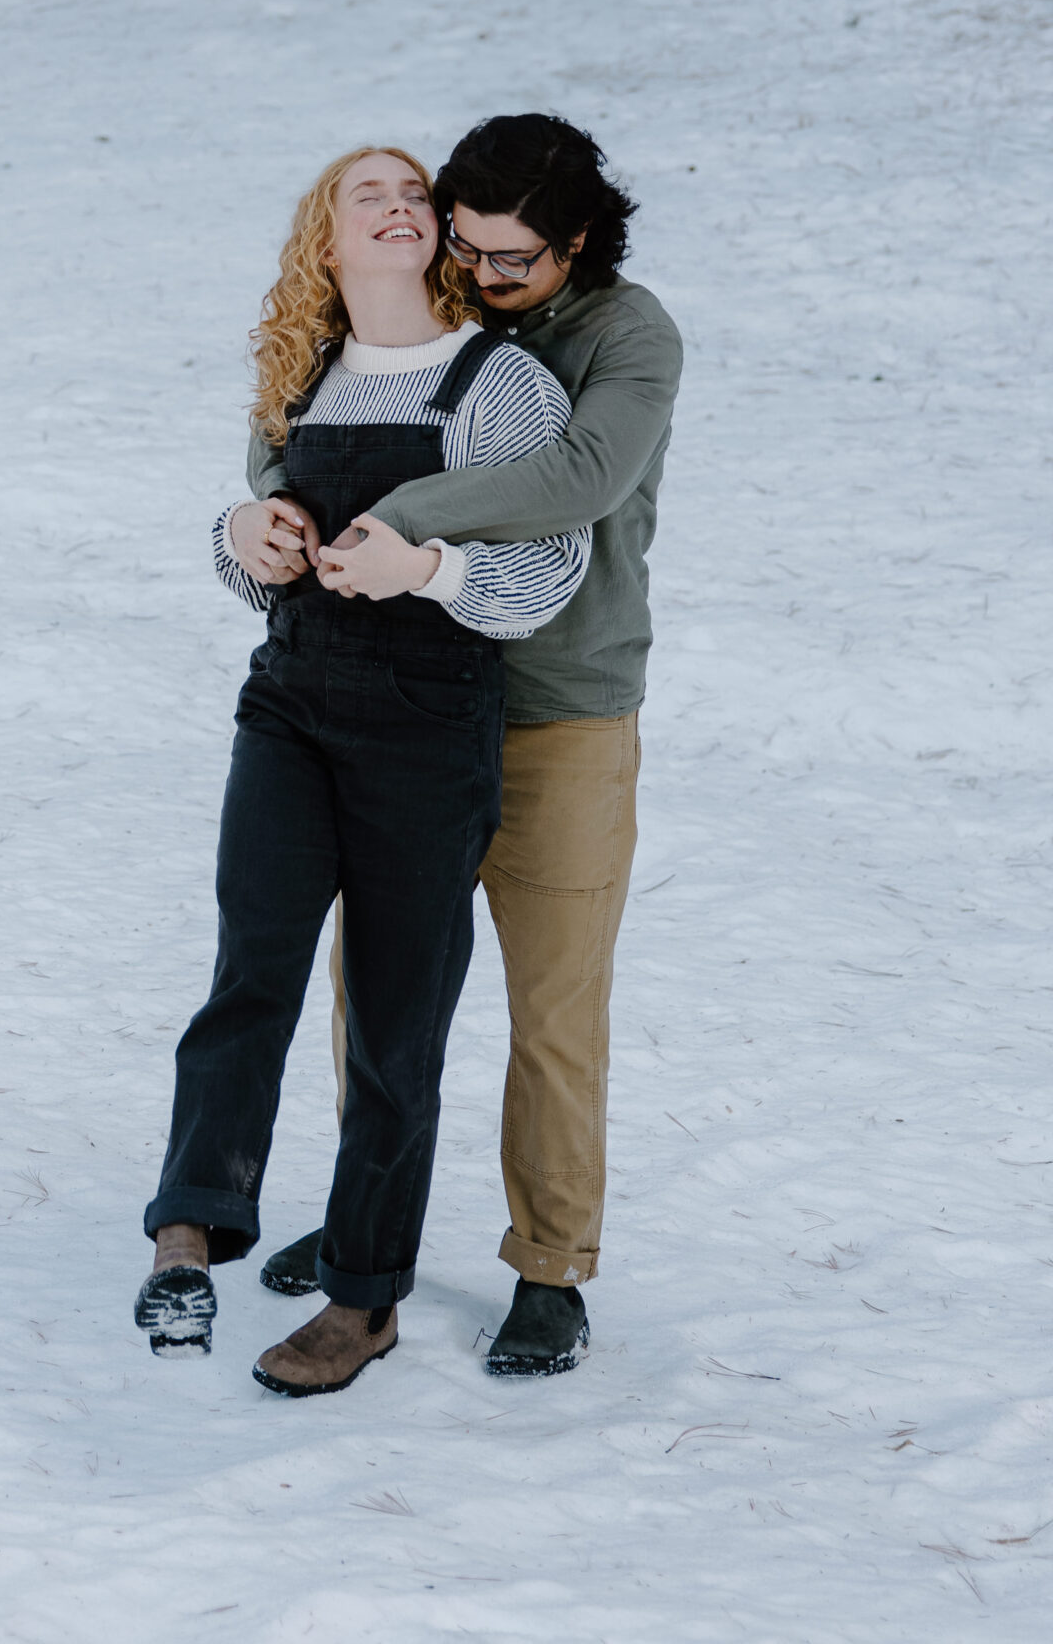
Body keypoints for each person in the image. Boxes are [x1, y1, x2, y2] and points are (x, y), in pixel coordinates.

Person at [135, 145, 590, 1397]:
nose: (396, 205)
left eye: (412, 192)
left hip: (428, 730)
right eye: (365, 193)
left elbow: (551, 570)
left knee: (397, 1023)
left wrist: (425, 569)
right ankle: (187, 1232)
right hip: (289, 710)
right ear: (325, 241)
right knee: (251, 972)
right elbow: (256, 556)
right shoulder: (302, 376)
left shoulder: (501, 385)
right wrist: (241, 534)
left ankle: (363, 1298)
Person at [251, 114, 684, 1378]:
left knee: (553, 1003)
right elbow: (300, 428)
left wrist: (395, 514)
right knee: (375, 992)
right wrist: (267, 511)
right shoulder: (430, 302)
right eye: (468, 247)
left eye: (513, 259)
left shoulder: (628, 333)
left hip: (559, 711)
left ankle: (551, 1266)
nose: (485, 277)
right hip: (404, 705)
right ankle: (365, 1227)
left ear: (579, 241)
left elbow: (583, 477)